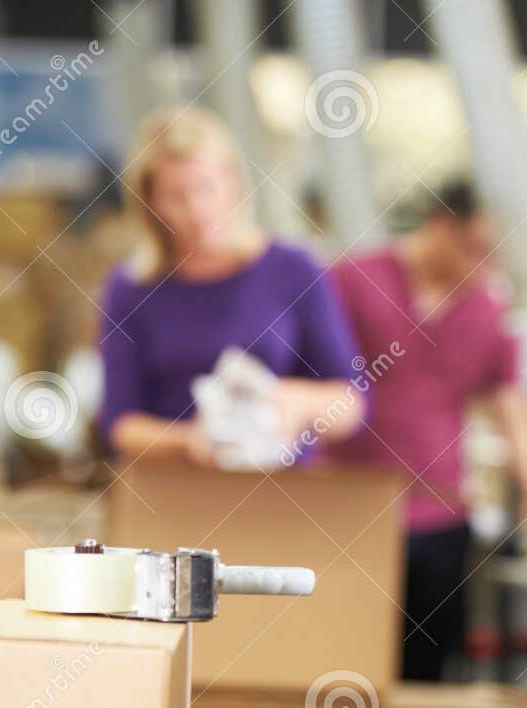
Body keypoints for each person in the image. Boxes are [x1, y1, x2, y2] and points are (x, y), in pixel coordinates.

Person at [327, 181, 527, 681]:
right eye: (476, 251)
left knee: (430, 672)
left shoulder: (487, 310)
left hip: (441, 517)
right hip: (349, 514)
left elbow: (511, 410)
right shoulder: (351, 281)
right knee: (345, 662)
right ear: (441, 226)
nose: (484, 270)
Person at [98, 106, 363, 463]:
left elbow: (351, 403)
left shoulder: (293, 269)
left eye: (205, 188)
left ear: (233, 184)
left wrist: (292, 402)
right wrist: (190, 441)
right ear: (150, 203)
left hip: (285, 498)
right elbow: (120, 424)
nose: (195, 209)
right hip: (175, 498)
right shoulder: (131, 288)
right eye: (176, 196)